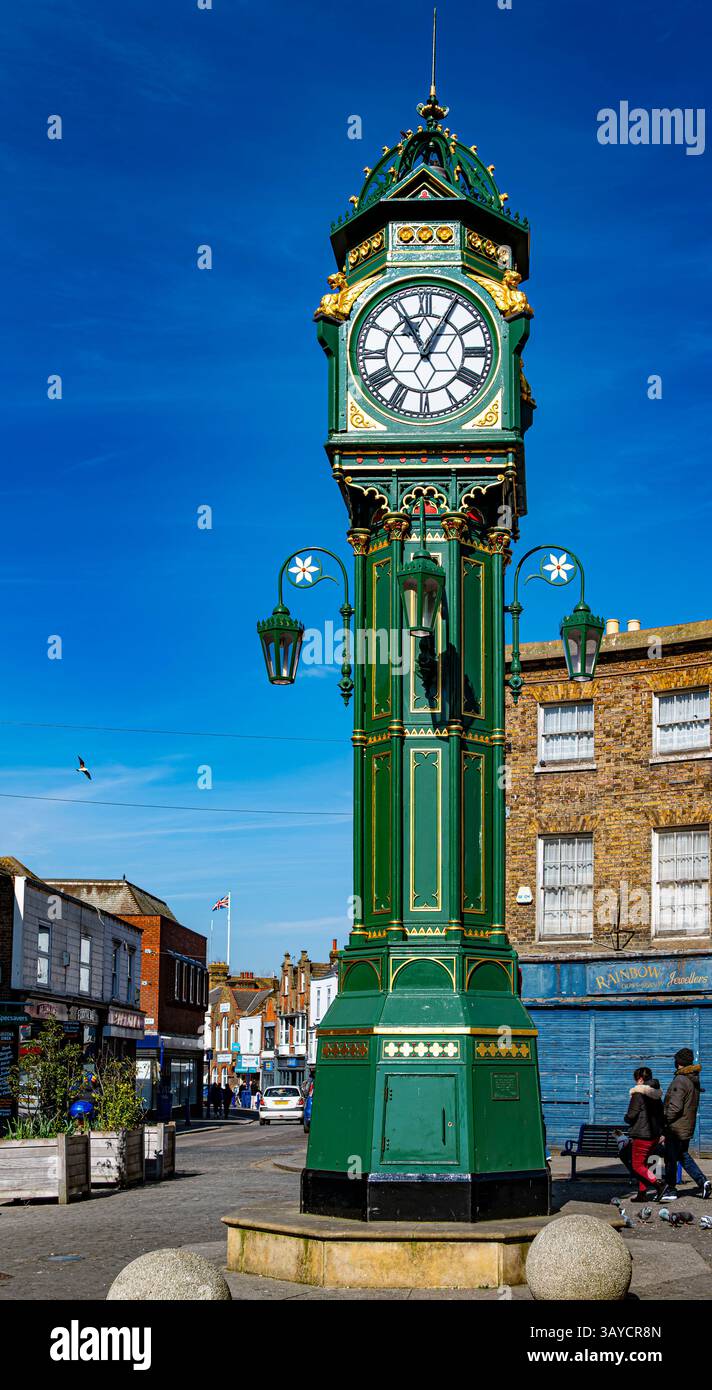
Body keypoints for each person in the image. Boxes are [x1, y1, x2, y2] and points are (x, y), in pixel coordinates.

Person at [663, 1047, 711, 1199]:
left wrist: (665, 1120)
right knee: (682, 1155)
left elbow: (675, 1107)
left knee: (671, 1158)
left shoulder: (681, 1080)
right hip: (686, 1125)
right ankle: (703, 1182)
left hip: (676, 1127)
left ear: (678, 1062)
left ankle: (670, 1189)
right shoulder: (692, 1079)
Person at [623, 1067, 665, 1202]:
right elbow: (661, 1115)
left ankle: (659, 1184)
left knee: (637, 1166)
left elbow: (631, 1115)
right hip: (654, 1135)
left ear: (640, 1079)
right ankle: (642, 1193)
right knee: (644, 1164)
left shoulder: (638, 1094)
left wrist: (626, 1118)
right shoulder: (657, 1094)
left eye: (636, 1080)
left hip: (642, 1135)